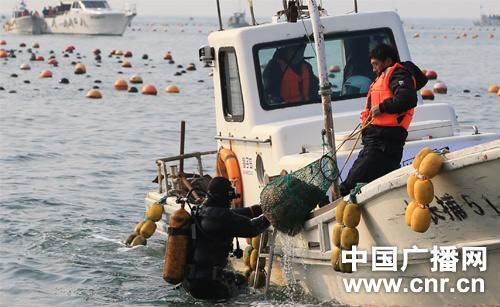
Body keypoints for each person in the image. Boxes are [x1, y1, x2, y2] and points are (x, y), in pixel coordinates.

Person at [339, 43, 428, 196]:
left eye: (375, 64)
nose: (373, 69)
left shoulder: (398, 74)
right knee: (365, 185)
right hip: (376, 142)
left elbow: (407, 98)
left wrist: (382, 107)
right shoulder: (385, 75)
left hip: (383, 144)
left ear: (387, 61)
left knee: (349, 186)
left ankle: (340, 207)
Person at [183, 177, 270, 301]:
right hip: (208, 285)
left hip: (191, 281)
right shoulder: (220, 217)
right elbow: (253, 228)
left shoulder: (201, 211)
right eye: (229, 197)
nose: (231, 201)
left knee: (240, 280)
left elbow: (234, 214)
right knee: (243, 291)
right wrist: (272, 215)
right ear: (223, 196)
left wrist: (258, 209)